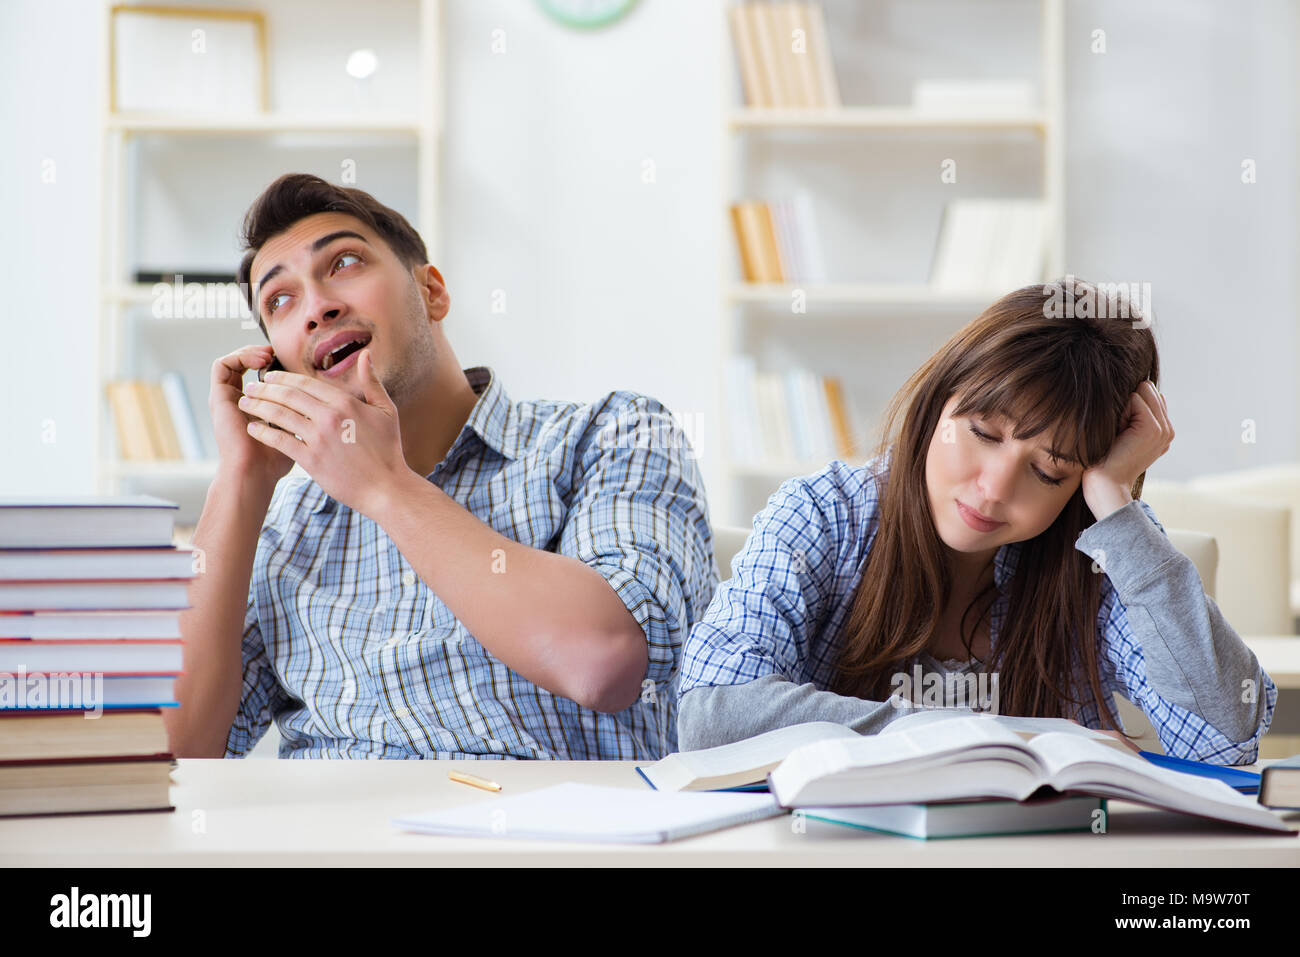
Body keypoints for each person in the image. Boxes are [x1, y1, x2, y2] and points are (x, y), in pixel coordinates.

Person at [163, 173, 716, 760]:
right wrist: (241, 480)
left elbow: (605, 663)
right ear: (280, 364)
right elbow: (174, 756)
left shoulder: (613, 433)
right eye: (280, 300)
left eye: (344, 263)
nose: (318, 307)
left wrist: (384, 486)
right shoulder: (282, 532)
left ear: (431, 293)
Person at [679, 278, 1275, 765]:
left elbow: (1224, 739)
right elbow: (713, 715)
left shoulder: (1100, 553)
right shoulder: (825, 516)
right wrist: (1006, 741)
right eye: (982, 433)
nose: (992, 490)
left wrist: (1118, 508)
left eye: (1049, 470)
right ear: (941, 397)